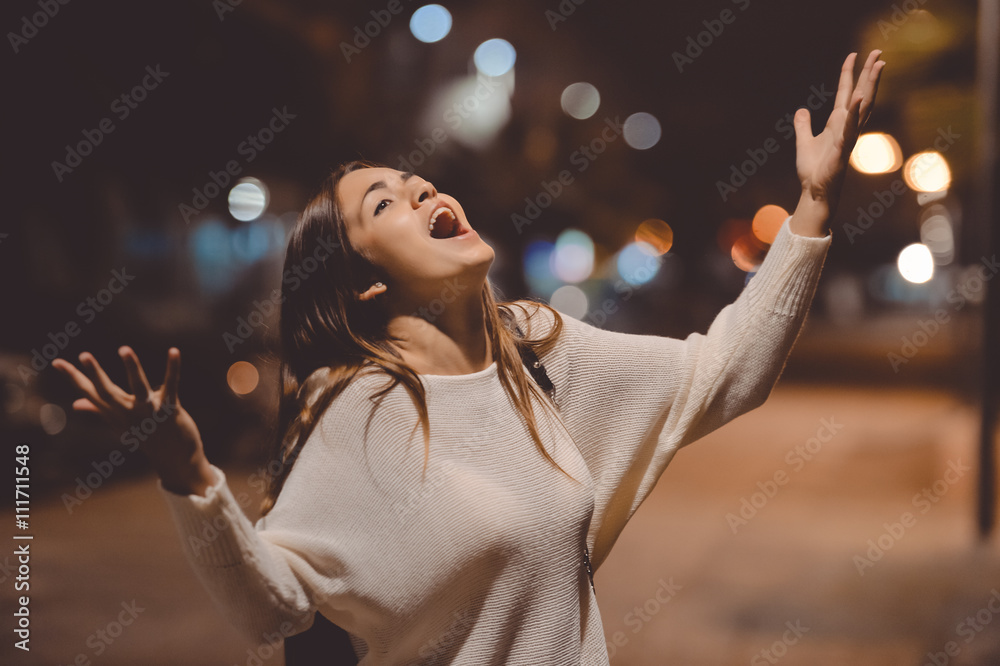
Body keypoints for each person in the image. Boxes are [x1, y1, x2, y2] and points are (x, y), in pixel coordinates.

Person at [53, 50, 884, 664]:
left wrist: (815, 199)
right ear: (363, 284)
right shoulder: (358, 412)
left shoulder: (539, 350)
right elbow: (274, 605)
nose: (421, 191)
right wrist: (189, 474)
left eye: (416, 183)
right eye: (385, 204)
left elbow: (723, 370)